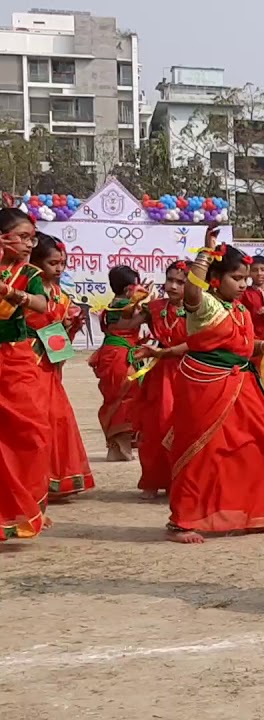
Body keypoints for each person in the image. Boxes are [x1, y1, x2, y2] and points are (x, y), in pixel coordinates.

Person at [161, 231, 264, 544]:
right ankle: (182, 520)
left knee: (262, 445)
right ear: (216, 279)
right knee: (204, 453)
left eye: (246, 278)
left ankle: (256, 509)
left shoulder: (240, 309)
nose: (244, 284)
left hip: (243, 385)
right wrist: (205, 253)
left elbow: (240, 346)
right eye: (236, 278)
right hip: (207, 385)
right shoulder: (203, 305)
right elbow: (192, 289)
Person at [28, 232, 92, 501]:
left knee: (58, 418)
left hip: (49, 365)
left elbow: (58, 339)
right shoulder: (27, 289)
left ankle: (54, 480)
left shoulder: (58, 294)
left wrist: (70, 326)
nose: (59, 269)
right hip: (28, 360)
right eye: (53, 263)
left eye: (63, 263)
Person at [0, 208, 50, 541]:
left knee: (32, 434)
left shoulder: (27, 272)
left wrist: (8, 292)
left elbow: (42, 305)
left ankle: (24, 508)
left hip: (15, 360)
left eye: (32, 237)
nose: (30, 244)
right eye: (23, 237)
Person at [135, 261, 190, 500]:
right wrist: (133, 302)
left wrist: (166, 352)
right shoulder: (155, 307)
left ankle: (178, 480)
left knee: (180, 427)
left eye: (181, 282)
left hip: (188, 372)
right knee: (154, 427)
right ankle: (152, 479)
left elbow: (197, 342)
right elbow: (122, 325)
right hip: (159, 374)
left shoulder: (199, 310)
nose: (173, 286)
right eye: (170, 280)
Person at [88, 265, 146, 461]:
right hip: (118, 356)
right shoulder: (120, 305)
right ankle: (120, 448)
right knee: (123, 397)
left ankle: (122, 446)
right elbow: (124, 326)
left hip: (118, 353)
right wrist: (147, 311)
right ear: (129, 288)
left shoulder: (123, 304)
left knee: (123, 397)